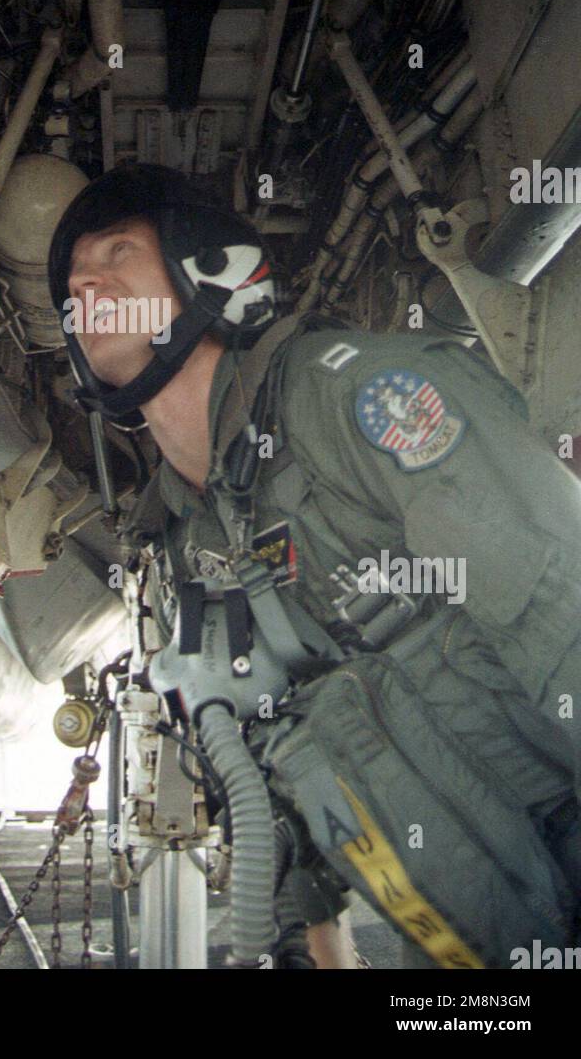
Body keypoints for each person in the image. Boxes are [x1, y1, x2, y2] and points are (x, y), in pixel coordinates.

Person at [47, 164, 581, 969]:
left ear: (206, 267)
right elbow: (272, 766)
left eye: (117, 252)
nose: (85, 282)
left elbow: (559, 601)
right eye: (73, 280)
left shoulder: (354, 396)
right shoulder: (193, 538)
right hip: (470, 937)